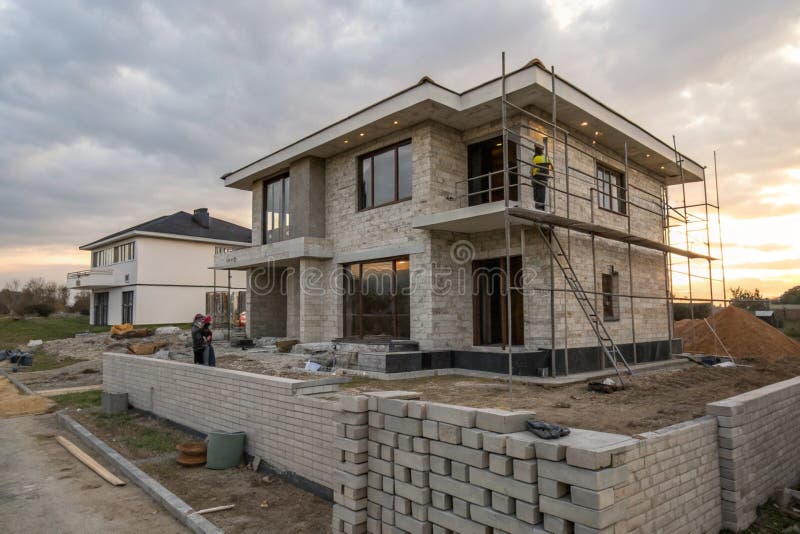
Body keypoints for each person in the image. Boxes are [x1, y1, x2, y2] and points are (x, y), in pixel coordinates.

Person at [531, 145, 553, 211]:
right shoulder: (544, 158)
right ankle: (539, 208)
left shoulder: (537, 157)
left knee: (538, 194)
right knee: (539, 194)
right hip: (540, 177)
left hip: (538, 177)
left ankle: (538, 207)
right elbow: (551, 167)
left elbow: (533, 168)